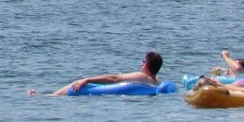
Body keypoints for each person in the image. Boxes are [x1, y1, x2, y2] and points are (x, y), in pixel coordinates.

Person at [32, 51, 164, 96]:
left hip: (107, 91)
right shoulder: (157, 81)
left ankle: (48, 96)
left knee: (76, 84)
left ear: (146, 65)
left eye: (142, 61)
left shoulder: (142, 76)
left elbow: (114, 78)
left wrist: (87, 80)